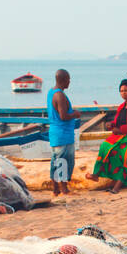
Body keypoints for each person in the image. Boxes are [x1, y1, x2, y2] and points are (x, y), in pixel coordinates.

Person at [90, 79, 127, 192]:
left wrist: (121, 130)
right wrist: (111, 124)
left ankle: (118, 186)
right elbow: (118, 121)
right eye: (121, 91)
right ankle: (96, 174)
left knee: (126, 154)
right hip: (121, 136)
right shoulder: (121, 106)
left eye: (126, 90)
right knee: (105, 146)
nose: (123, 93)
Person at [47, 69, 81, 197]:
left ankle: (56, 189)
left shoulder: (51, 92)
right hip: (62, 132)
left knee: (56, 160)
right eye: (68, 79)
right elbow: (63, 116)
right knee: (64, 161)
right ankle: (64, 189)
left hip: (56, 132)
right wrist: (75, 114)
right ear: (63, 80)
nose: (70, 82)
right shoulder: (59, 95)